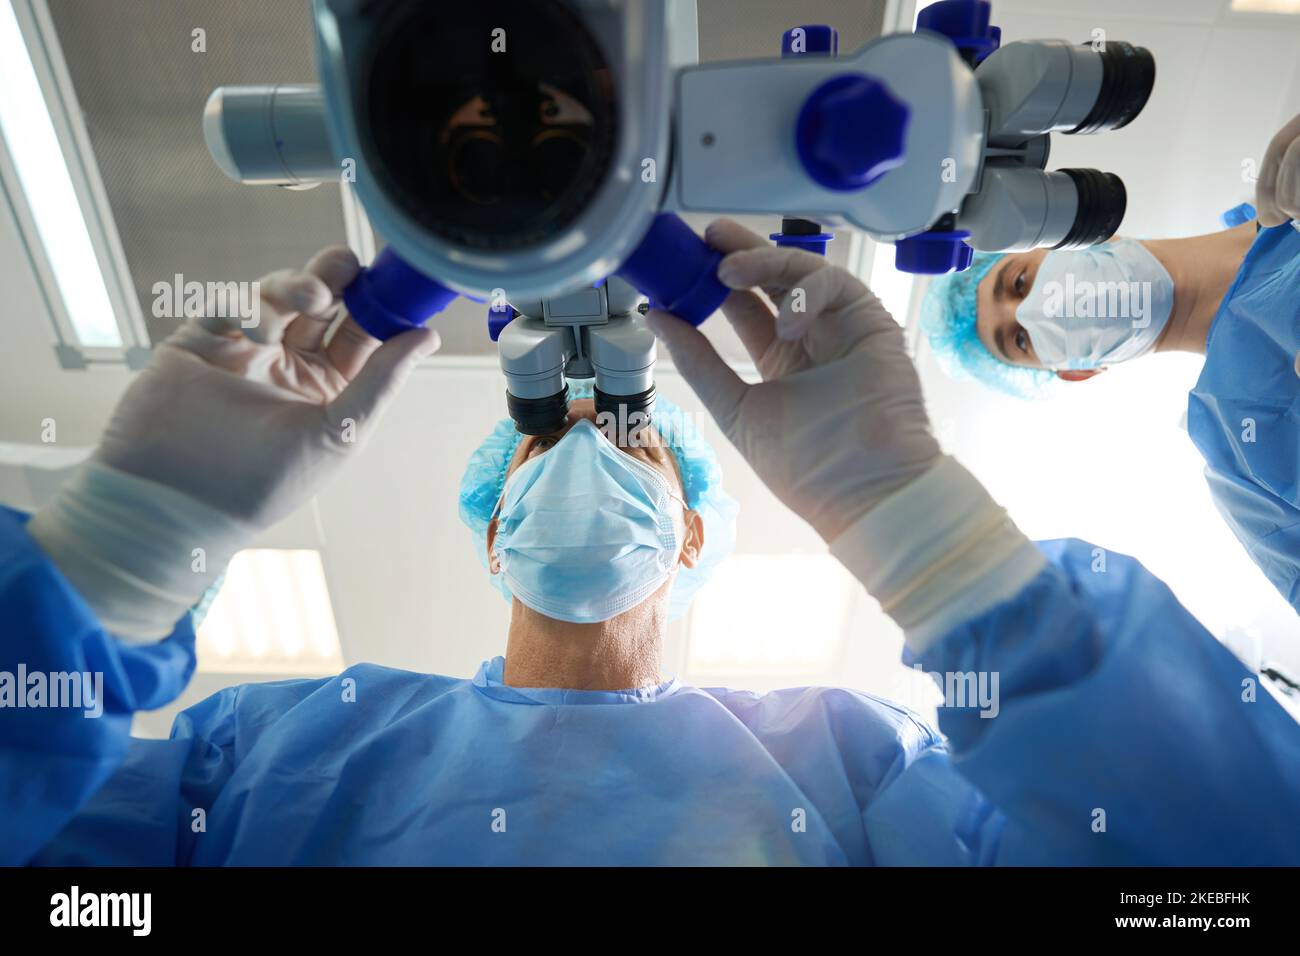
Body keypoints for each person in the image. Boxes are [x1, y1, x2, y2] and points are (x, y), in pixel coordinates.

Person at [2, 223, 1298, 867]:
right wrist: (123, 541)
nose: (576, 439)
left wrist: (926, 529)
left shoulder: (851, 760)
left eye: (623, 432)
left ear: (694, 527)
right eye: (548, 437)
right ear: (492, 525)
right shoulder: (273, 751)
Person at [920, 114, 1300, 610]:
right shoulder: (1243, 468)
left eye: (1018, 283)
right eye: (1019, 341)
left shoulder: (1286, 185)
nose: (1036, 311)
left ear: (1073, 235)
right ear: (1077, 369)